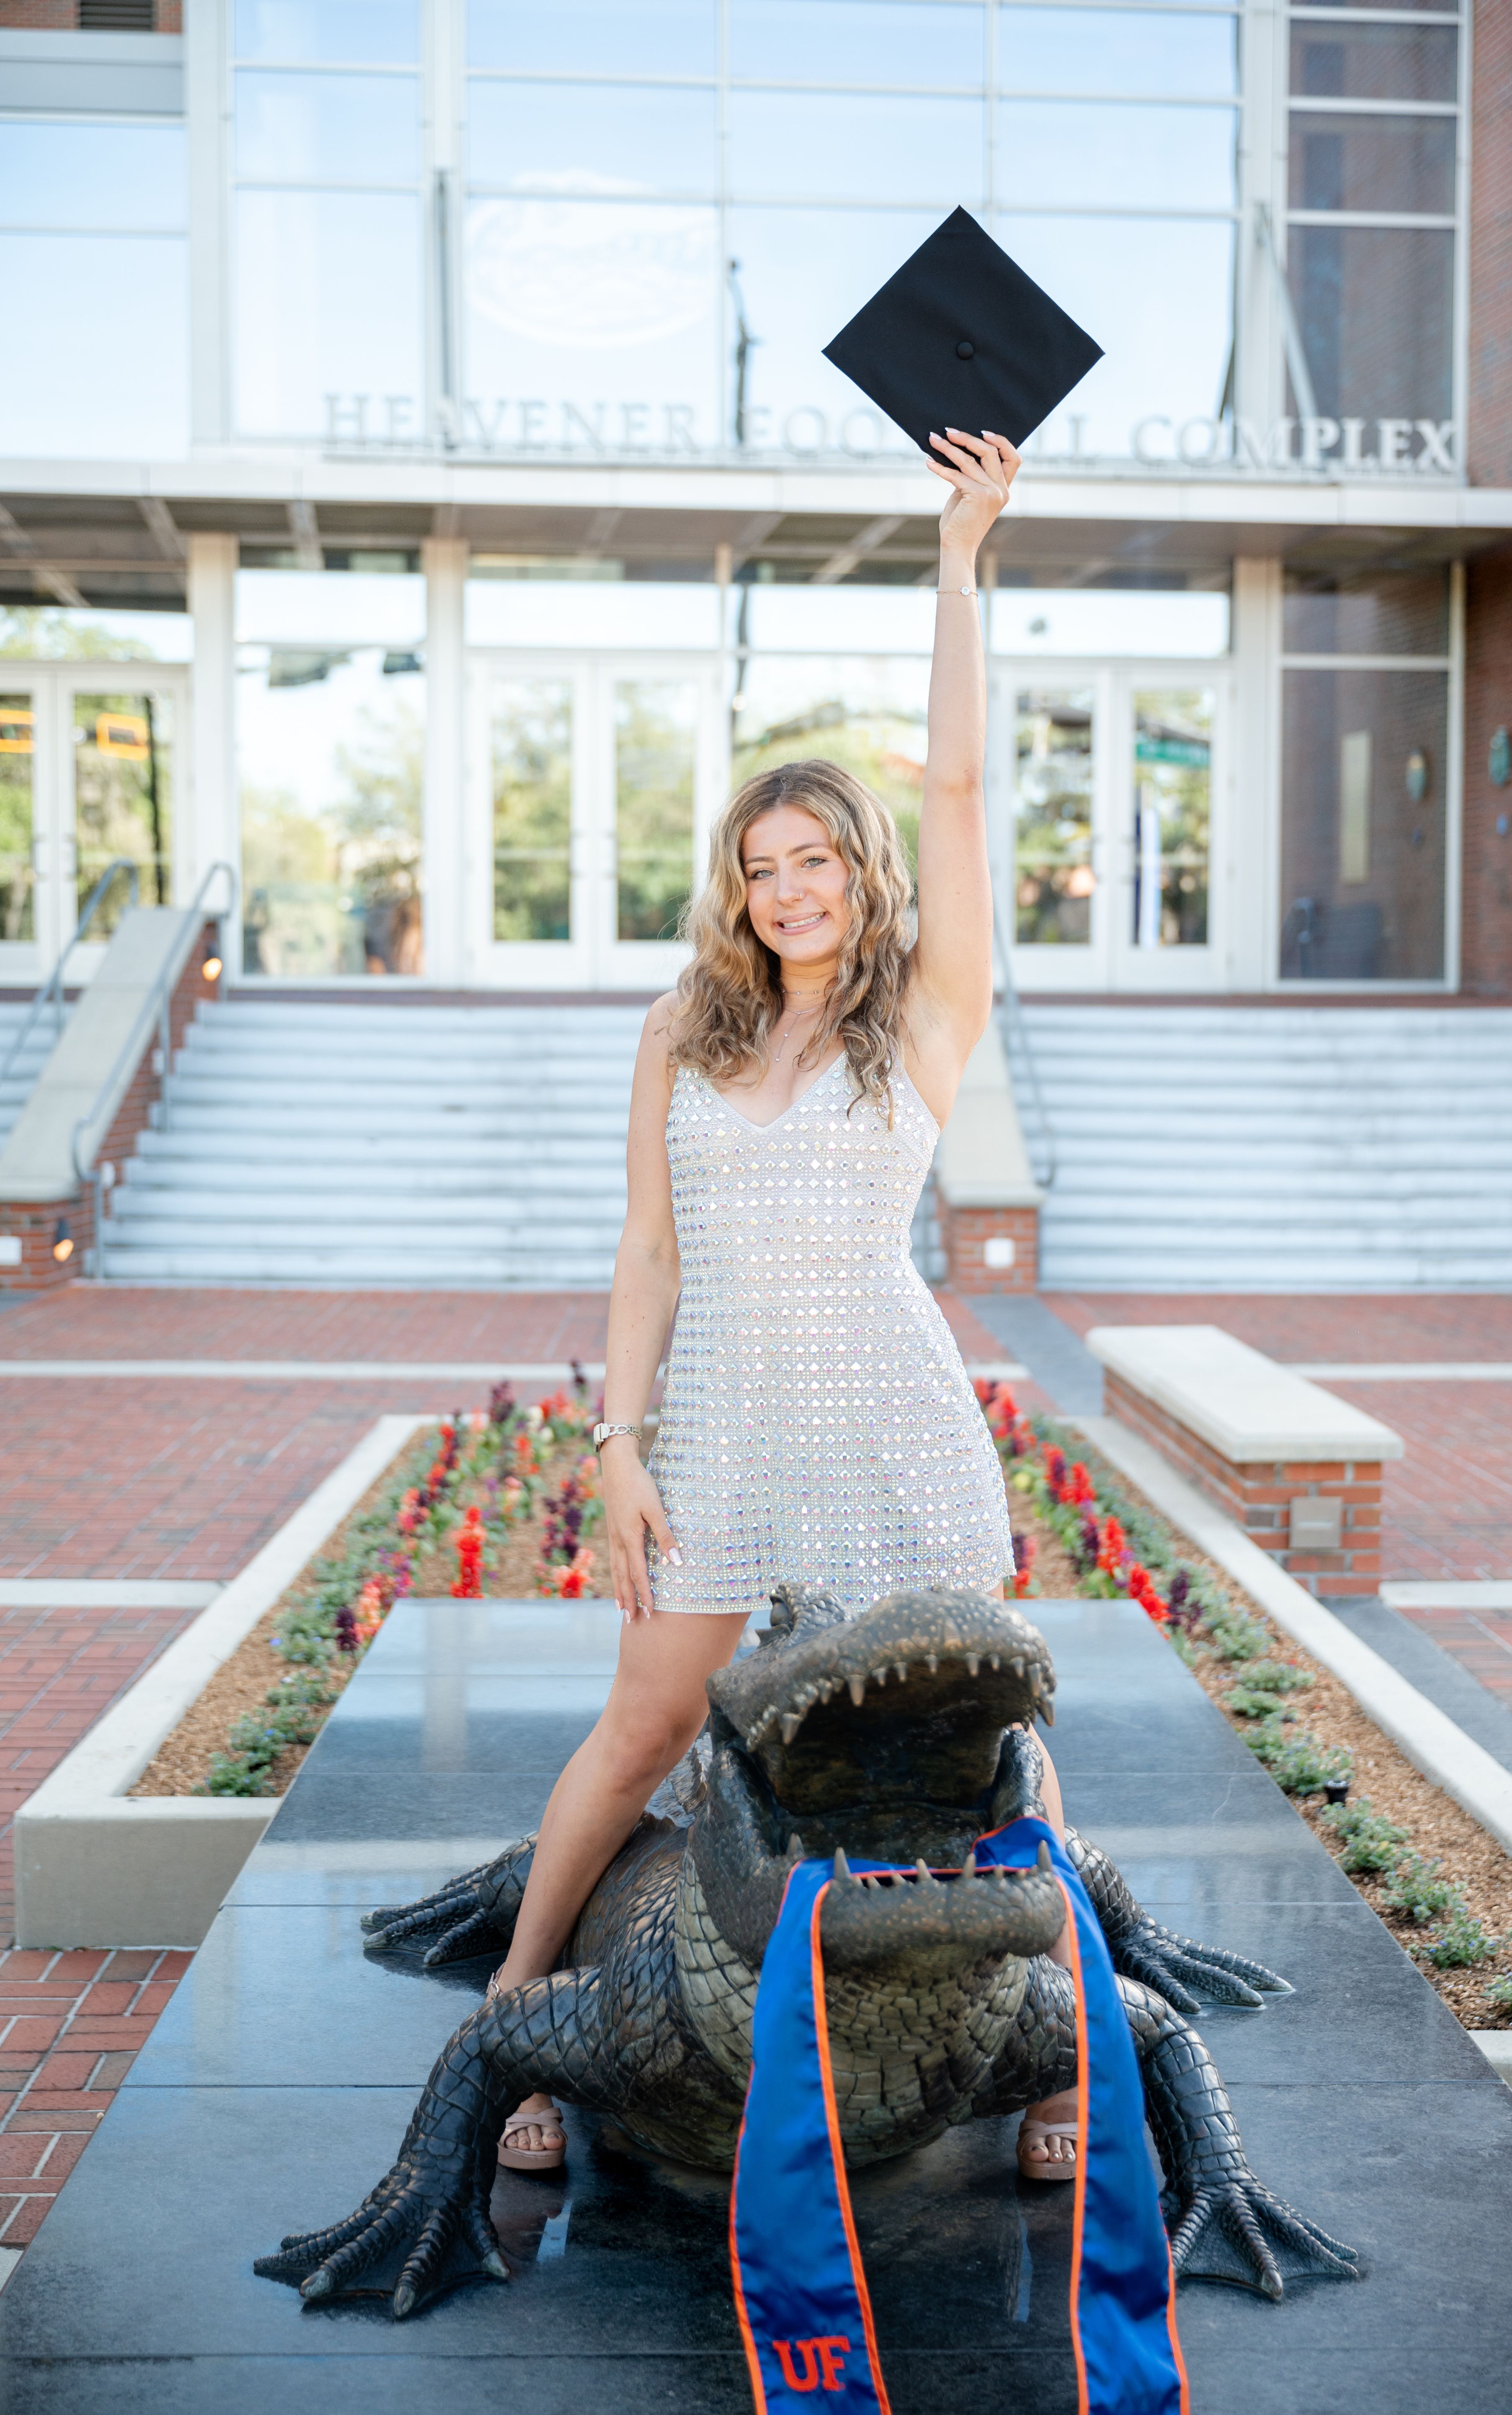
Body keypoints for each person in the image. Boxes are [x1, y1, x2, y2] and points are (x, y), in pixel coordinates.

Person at [490, 428, 1080, 2181]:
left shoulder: (928, 1017)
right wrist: (616, 1438)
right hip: (728, 1433)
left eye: (817, 857)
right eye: (764, 867)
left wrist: (961, 556)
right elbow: (650, 1255)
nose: (790, 890)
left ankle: (1067, 2068)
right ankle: (516, 2008)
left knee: (995, 1761)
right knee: (647, 1728)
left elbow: (967, 793)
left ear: (864, 869)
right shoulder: (687, 1025)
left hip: (897, 1428)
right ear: (737, 888)